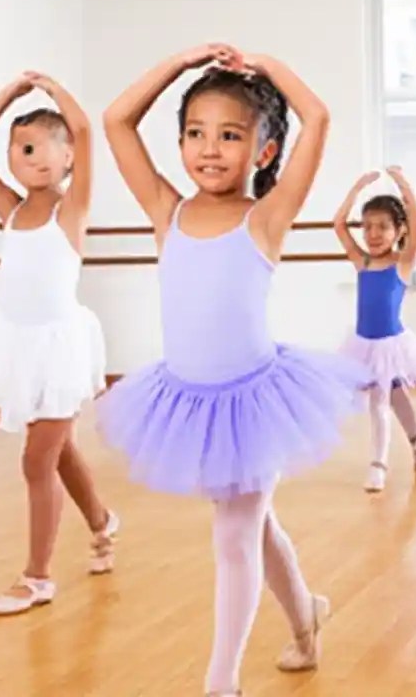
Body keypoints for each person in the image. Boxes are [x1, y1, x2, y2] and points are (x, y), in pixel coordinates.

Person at [99, 43, 369, 696]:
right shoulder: (168, 212)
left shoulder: (265, 219)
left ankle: (221, 683)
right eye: (195, 134)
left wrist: (271, 67)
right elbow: (115, 121)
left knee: (234, 536)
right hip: (187, 400)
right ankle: (306, 619)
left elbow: (319, 117)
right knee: (253, 523)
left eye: (229, 135)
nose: (209, 149)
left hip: (253, 401)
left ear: (264, 151)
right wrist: (180, 63)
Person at [0, 71, 118, 615]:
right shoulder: (11, 208)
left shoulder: (69, 209)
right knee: (58, 449)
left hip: (59, 345)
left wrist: (52, 89)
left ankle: (37, 577)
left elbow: (84, 128)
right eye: (20, 149)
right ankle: (101, 521)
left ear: (69, 157)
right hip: (18, 343)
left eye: (44, 148)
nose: (30, 158)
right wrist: (8, 96)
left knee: (36, 459)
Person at [332, 168, 416, 492]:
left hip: (390, 344)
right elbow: (339, 223)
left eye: (382, 227)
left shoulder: (402, 263)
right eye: (367, 227)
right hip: (363, 343)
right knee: (394, 395)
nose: (373, 234)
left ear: (399, 230)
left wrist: (404, 185)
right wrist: (357, 187)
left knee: (380, 400)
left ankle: (378, 464)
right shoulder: (362, 262)